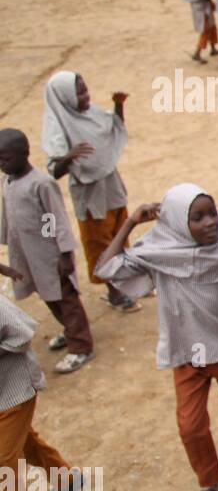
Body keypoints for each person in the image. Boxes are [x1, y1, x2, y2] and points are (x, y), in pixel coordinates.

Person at [95, 185, 218, 491]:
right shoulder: (158, 253)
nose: (210, 222)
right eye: (198, 217)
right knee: (190, 426)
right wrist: (132, 221)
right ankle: (209, 483)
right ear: (179, 222)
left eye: (212, 214)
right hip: (186, 356)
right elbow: (105, 269)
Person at [40, 73, 135, 317]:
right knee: (98, 240)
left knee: (120, 229)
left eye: (86, 91)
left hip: (110, 183)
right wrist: (68, 156)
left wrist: (118, 106)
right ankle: (113, 290)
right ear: (65, 97)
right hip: (89, 193)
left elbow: (113, 128)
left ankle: (128, 280)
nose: (86, 97)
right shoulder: (58, 126)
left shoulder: (91, 113)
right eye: (80, 93)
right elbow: (54, 170)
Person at [0, 129, 94, 374]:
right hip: (28, 255)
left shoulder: (40, 184)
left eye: (6, 159)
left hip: (50, 255)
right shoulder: (7, 182)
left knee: (65, 298)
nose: (1, 164)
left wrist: (61, 252)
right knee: (48, 295)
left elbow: (54, 218)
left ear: (25, 154)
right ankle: (70, 331)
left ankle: (81, 346)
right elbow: (8, 214)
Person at [0, 294, 81, 491]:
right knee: (24, 443)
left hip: (14, 389)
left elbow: (22, 334)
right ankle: (66, 479)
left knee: (2, 457)